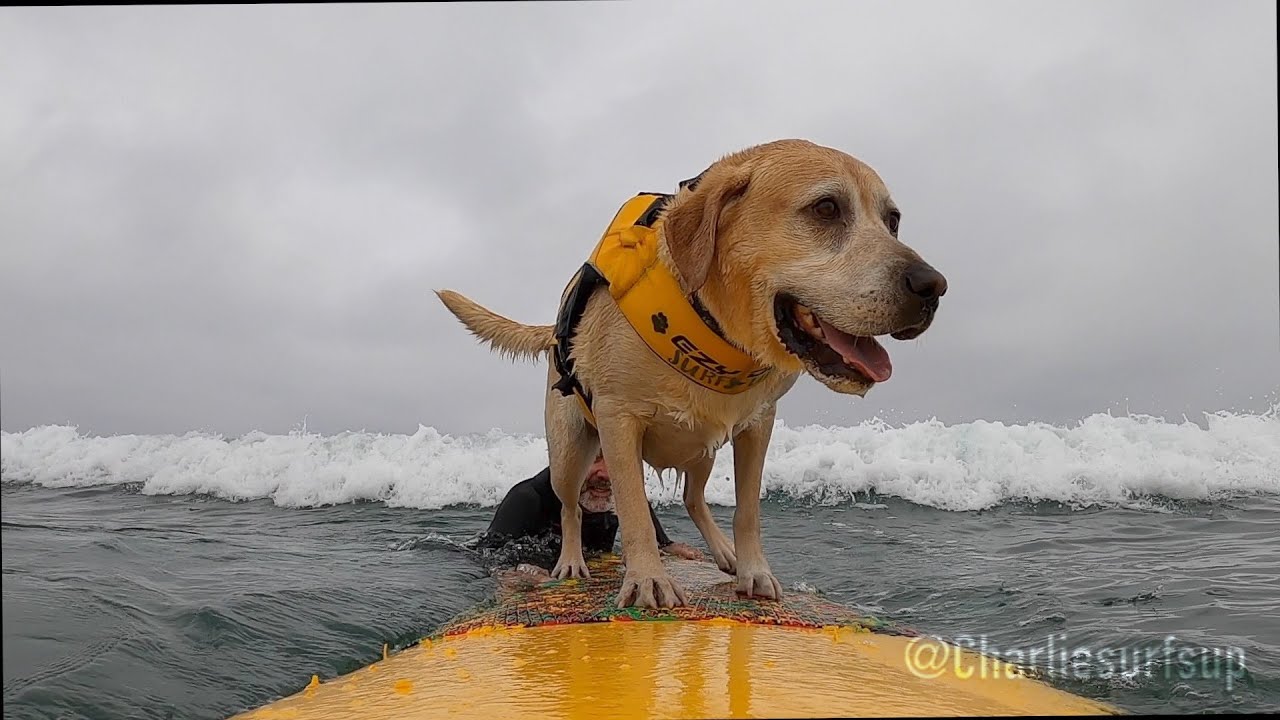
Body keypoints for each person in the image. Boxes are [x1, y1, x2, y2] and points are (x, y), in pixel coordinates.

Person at [479, 452, 702, 583]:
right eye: (595, 459)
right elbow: (488, 555)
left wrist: (665, 544)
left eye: (614, 460)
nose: (605, 473)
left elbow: (637, 505)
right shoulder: (527, 499)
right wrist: (517, 569)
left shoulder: (613, 497)